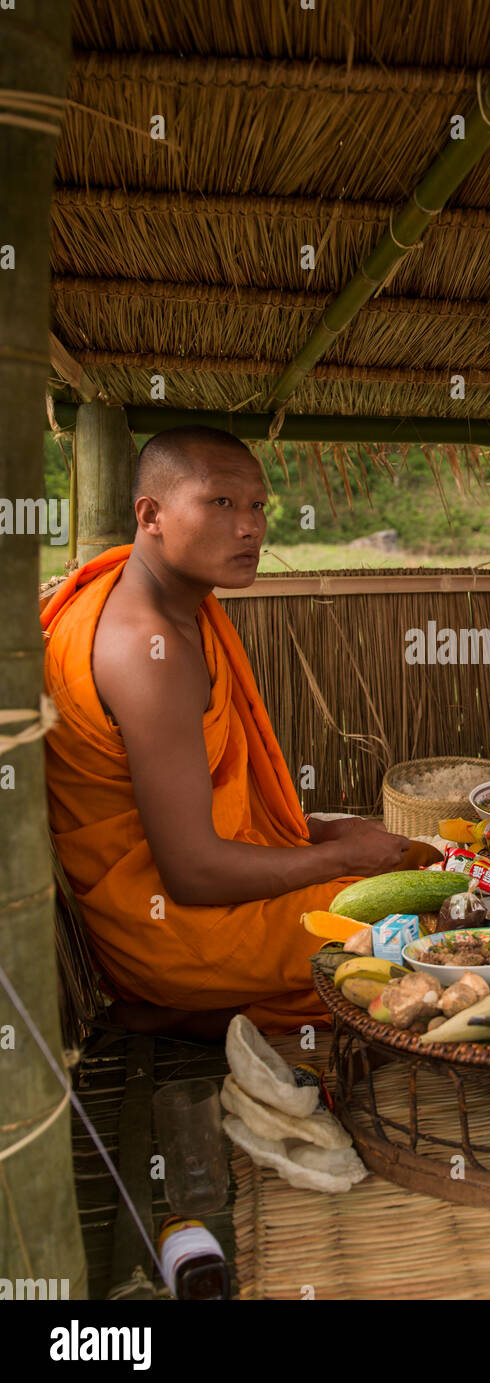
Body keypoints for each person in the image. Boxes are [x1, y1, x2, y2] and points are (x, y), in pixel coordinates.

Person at [43, 426, 433, 1034]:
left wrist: (317, 830)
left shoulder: (175, 609)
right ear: (151, 515)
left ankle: (210, 1010)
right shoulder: (148, 652)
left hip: (198, 887)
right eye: (221, 503)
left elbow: (204, 810)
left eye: (258, 506)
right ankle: (186, 1008)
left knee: (423, 864)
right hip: (173, 927)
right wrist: (339, 856)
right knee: (432, 927)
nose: (250, 526)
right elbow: (193, 873)